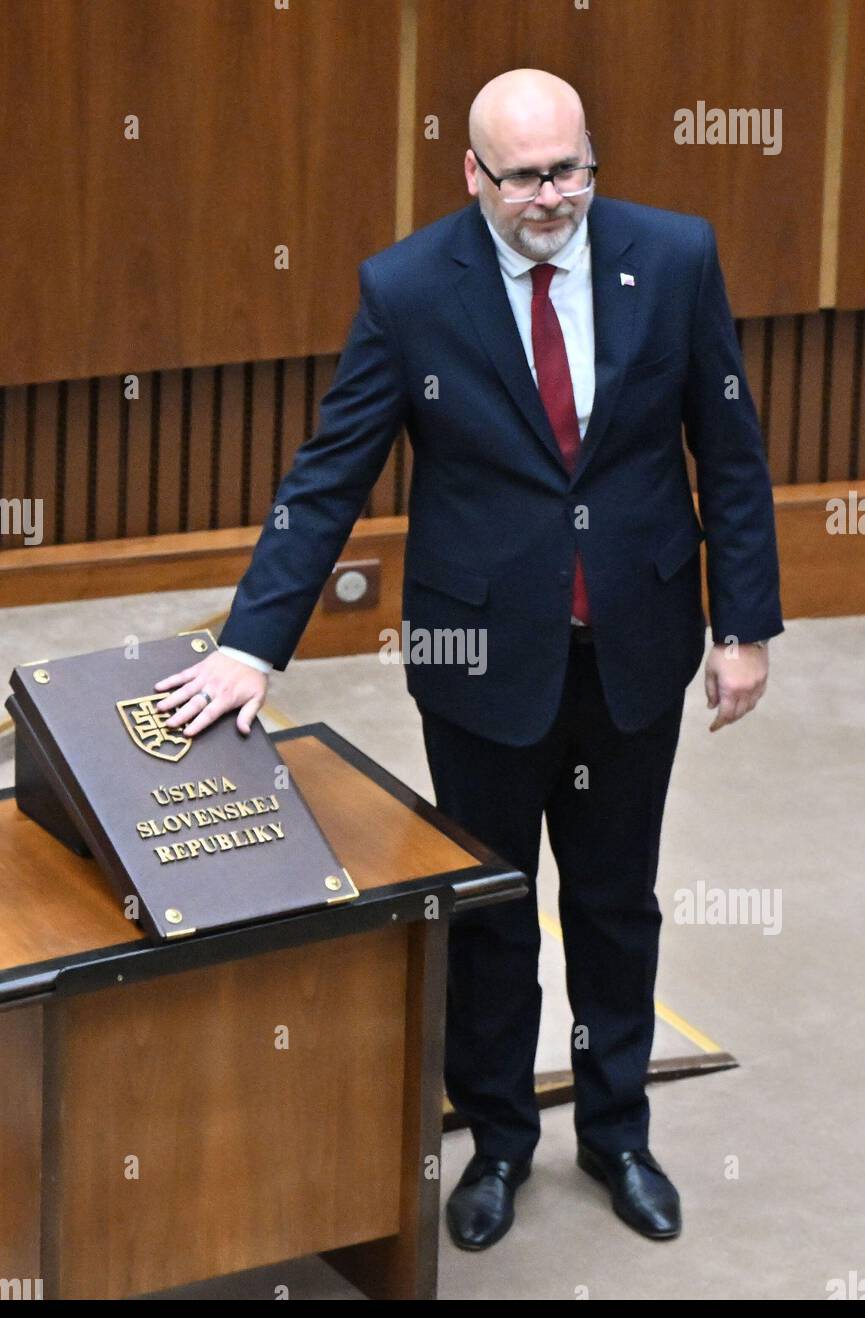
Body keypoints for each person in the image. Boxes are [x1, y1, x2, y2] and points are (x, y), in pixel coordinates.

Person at [154, 69, 783, 1252]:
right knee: (492, 909)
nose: (554, 198)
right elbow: (327, 475)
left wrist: (743, 624)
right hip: (482, 660)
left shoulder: (677, 255)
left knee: (613, 905)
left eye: (571, 169)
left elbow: (730, 450)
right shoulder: (406, 291)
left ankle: (616, 1134)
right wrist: (251, 643)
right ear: (474, 174)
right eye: (527, 177)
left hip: (636, 647)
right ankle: (495, 1139)